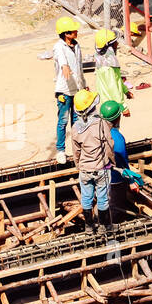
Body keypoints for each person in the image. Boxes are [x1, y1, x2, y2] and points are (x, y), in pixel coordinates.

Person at [68, 89, 114, 234]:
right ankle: (105, 226)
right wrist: (112, 161)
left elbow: (76, 152)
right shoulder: (101, 124)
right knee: (103, 198)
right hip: (101, 169)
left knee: (86, 198)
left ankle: (89, 226)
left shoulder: (75, 128)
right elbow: (109, 145)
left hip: (85, 170)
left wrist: (79, 166)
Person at [52, 16, 85, 165]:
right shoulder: (59, 47)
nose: (76, 31)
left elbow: (79, 68)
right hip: (64, 91)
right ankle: (60, 150)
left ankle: (78, 149)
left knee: (77, 121)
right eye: (73, 30)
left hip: (77, 89)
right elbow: (61, 59)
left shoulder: (77, 46)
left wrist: (83, 85)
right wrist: (65, 66)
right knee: (63, 121)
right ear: (66, 33)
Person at [100, 99, 139, 224]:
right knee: (116, 209)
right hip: (115, 180)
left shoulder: (96, 130)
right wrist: (131, 180)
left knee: (103, 203)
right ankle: (113, 232)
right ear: (118, 118)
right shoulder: (117, 138)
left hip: (98, 176)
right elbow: (122, 162)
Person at [93, 29, 131, 114]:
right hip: (112, 106)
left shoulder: (102, 62)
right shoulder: (108, 68)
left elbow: (117, 80)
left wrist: (126, 91)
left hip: (108, 104)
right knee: (113, 127)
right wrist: (123, 107)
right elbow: (113, 88)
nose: (117, 44)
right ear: (109, 46)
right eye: (115, 42)